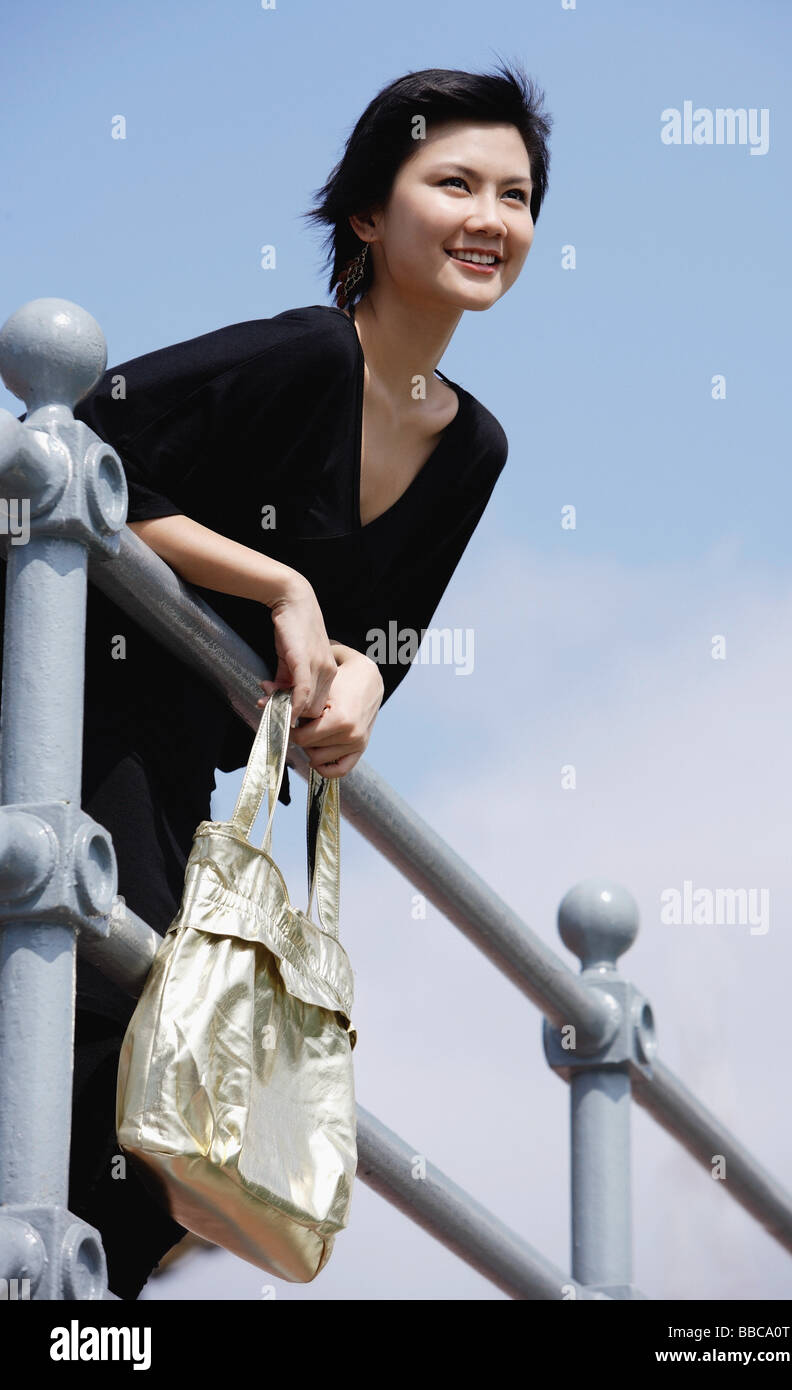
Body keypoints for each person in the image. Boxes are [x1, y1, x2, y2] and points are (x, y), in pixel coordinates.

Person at [2, 60, 552, 1299]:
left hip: (176, 755)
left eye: (516, 196)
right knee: (107, 1030)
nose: (491, 218)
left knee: (165, 1071)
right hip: (68, 697)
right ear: (367, 212)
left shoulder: (474, 445)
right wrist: (280, 587)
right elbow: (75, 450)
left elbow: (387, 640)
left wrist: (357, 681)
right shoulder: (308, 353)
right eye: (452, 182)